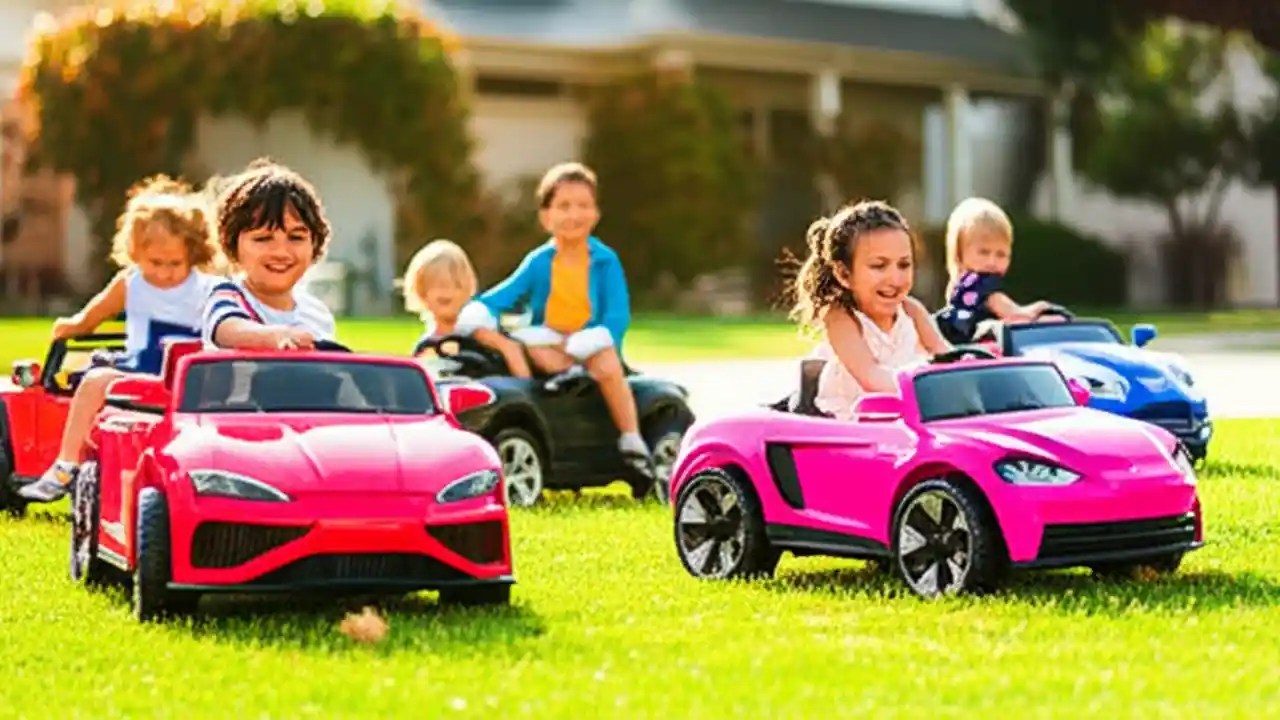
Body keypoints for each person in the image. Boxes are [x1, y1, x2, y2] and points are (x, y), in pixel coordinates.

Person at [19, 176, 222, 502]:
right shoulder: (130, 284)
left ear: (193, 253)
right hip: (140, 373)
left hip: (192, 381)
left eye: (175, 263)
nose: (166, 272)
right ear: (136, 254)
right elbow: (92, 316)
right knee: (94, 381)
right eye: (156, 262)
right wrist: (73, 325)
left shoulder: (207, 289)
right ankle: (64, 465)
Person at [474, 161, 652, 477]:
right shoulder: (539, 261)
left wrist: (594, 339)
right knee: (537, 348)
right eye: (564, 206)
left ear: (596, 213)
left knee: (608, 364)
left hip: (593, 342)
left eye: (583, 206)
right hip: (553, 342)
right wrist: (478, 313)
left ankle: (630, 437)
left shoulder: (605, 261)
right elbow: (504, 295)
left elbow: (616, 315)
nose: (574, 215)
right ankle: (568, 378)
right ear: (546, 217)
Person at [786, 199, 952, 421]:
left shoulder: (912, 311)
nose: (895, 278)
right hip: (844, 426)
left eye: (904, 265)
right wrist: (928, 389)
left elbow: (947, 357)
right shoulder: (840, 317)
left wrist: (975, 369)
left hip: (902, 420)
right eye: (879, 266)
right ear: (844, 274)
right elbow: (871, 377)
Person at [202, 158, 337, 349]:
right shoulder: (228, 295)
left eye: (296, 238)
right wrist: (275, 337)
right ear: (232, 243)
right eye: (263, 239)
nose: (281, 252)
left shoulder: (317, 314)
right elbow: (227, 329)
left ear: (315, 242)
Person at [933, 197, 1056, 345]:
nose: (992, 262)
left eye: (1001, 254)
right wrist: (1037, 310)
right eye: (984, 252)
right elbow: (1015, 314)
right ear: (959, 252)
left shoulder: (959, 285)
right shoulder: (982, 283)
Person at [402, 238, 531, 377]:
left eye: (456, 285)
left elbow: (512, 350)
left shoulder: (479, 332)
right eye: (438, 285)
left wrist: (524, 386)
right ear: (421, 292)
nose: (447, 291)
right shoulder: (426, 347)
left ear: (468, 290)